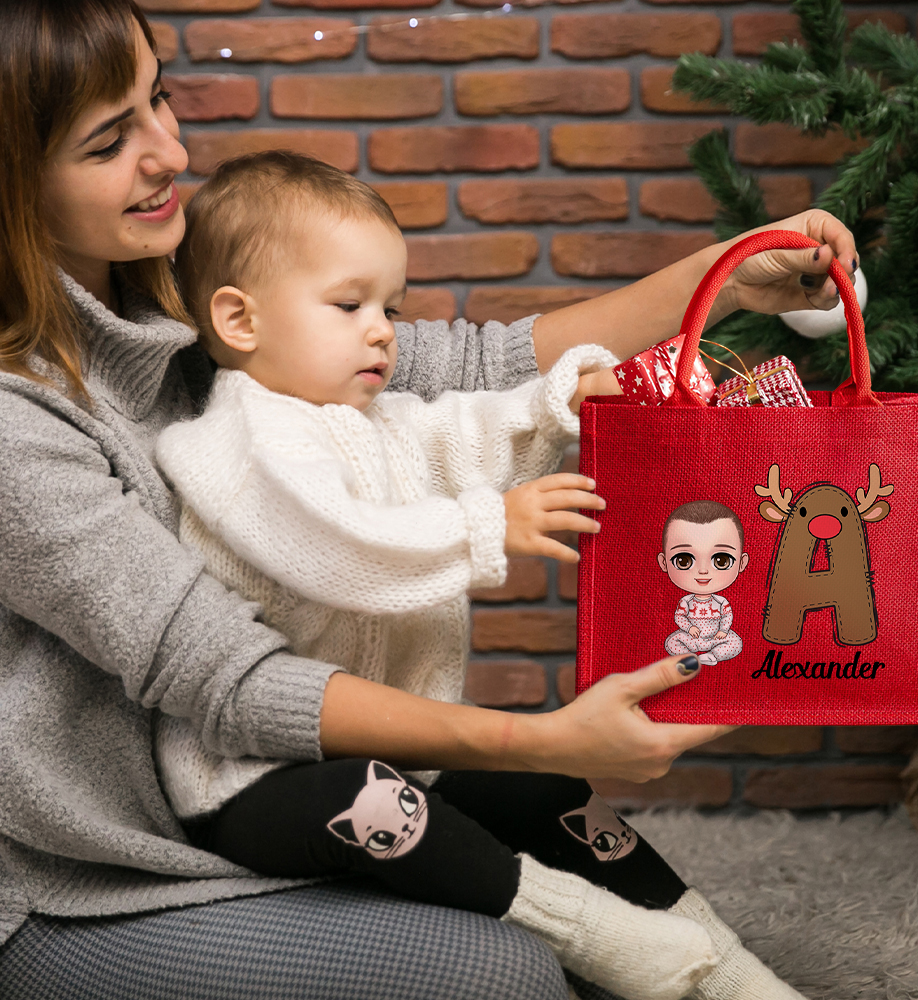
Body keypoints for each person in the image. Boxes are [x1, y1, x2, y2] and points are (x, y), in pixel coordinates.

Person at [0, 1, 858, 997]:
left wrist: (723, 274)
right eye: (111, 140)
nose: (167, 151)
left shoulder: (198, 310)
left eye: (161, 100)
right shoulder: (21, 429)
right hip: (90, 872)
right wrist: (540, 729)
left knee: (556, 840)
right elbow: (230, 679)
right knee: (507, 976)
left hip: (283, 787)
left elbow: (470, 367)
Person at [152, 150, 812, 1000]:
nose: (384, 329)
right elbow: (340, 545)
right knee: (376, 802)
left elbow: (467, 428)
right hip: (251, 779)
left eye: (391, 306)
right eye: (349, 305)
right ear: (240, 321)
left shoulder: (372, 417)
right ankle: (591, 931)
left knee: (543, 796)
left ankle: (725, 967)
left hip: (399, 745)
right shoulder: (234, 443)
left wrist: (557, 404)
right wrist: (486, 523)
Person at [659, 502, 750, 665]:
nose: (702, 571)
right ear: (664, 562)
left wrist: (723, 631)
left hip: (716, 638)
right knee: (672, 642)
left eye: (721, 560)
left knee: (735, 642)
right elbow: (679, 617)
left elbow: (727, 616)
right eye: (684, 560)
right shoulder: (685, 602)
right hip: (690, 637)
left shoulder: (721, 602)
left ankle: (713, 656)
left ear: (741, 563)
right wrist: (688, 628)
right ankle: (688, 657)